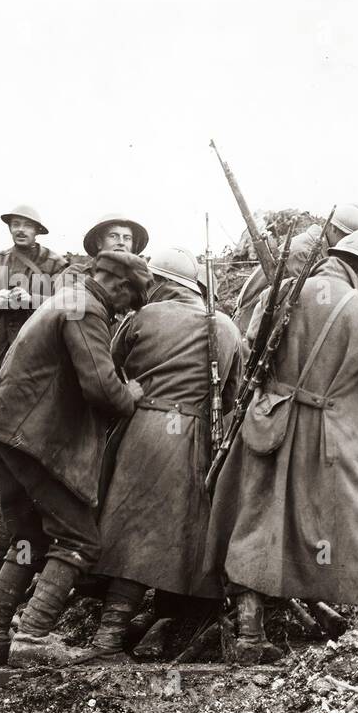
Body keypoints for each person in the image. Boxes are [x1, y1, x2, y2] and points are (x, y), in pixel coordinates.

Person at [206, 229, 358, 662]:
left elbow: (250, 351)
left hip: (269, 423)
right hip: (333, 434)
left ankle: (249, 631)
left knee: (258, 517)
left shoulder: (279, 293)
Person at [0, 250, 152, 667]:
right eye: (130, 299)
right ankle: (32, 636)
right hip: (32, 438)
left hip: (5, 431)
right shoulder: (86, 308)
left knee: (29, 537)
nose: (127, 310)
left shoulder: (65, 298)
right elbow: (101, 388)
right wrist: (130, 395)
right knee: (79, 539)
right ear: (120, 285)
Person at [89, 246, 246, 655]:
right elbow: (232, 396)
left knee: (132, 528)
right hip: (197, 436)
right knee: (182, 531)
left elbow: (109, 371)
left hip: (141, 431)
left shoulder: (140, 318)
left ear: (159, 282)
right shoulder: (227, 327)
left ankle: (109, 635)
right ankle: (161, 622)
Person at [0, 204, 68, 501]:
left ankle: (29, 481)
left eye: (27, 225)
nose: (20, 229)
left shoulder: (55, 264)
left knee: (31, 412)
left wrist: (32, 298)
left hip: (35, 347)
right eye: (15, 224)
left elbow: (67, 302)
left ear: (37, 230)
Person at [231, 204, 358, 337]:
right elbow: (305, 307)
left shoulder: (318, 249)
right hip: (251, 326)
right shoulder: (305, 252)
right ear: (333, 228)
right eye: (348, 238)